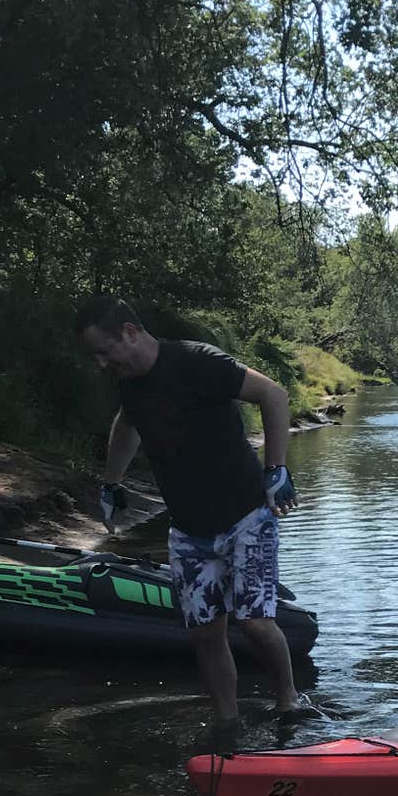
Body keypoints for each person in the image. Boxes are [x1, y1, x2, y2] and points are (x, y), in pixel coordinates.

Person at [74, 295, 310, 741]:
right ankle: (226, 722)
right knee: (204, 633)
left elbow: (273, 394)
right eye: (94, 357)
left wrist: (276, 468)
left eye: (103, 352)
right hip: (188, 529)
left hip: (247, 515)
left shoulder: (197, 361)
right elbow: (127, 424)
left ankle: (289, 701)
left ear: (129, 333)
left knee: (255, 622)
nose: (100, 364)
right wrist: (112, 483)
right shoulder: (130, 382)